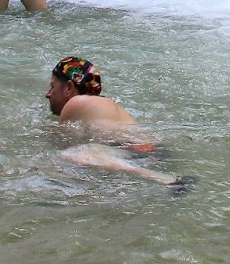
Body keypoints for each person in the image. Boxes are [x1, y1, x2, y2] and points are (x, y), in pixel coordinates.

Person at [46, 57, 186, 187]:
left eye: (53, 86)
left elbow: (57, 144)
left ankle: (168, 181)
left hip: (138, 150)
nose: (48, 94)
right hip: (152, 151)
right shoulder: (100, 104)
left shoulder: (75, 104)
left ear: (69, 87)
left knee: (74, 153)